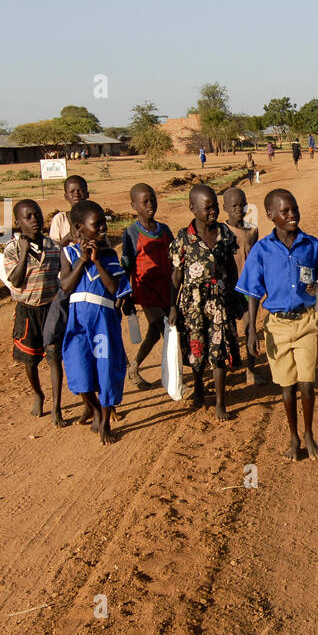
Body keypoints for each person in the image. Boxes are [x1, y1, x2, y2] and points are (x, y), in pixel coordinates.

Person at [238, 188, 318, 460]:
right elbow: (253, 292)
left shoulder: (310, 244)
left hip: (305, 322)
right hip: (277, 326)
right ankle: (293, 437)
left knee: (307, 383)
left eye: (295, 209)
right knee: (287, 386)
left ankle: (309, 433)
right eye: (285, 211)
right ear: (270, 216)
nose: (292, 215)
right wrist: (252, 333)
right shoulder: (262, 250)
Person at [59, 200, 131, 444]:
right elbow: (66, 286)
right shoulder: (68, 253)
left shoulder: (110, 255)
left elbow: (113, 288)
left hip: (103, 322)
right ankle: (95, 407)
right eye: (96, 225)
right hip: (78, 321)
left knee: (105, 369)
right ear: (79, 229)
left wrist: (97, 261)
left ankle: (105, 420)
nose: (103, 229)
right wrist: (82, 260)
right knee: (79, 369)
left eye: (104, 224)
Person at [173, 185, 240, 419]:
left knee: (219, 350)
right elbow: (176, 275)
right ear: (192, 208)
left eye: (215, 207)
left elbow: (231, 268)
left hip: (220, 302)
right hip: (193, 305)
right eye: (207, 207)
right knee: (196, 350)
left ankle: (221, 403)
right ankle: (200, 385)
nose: (213, 212)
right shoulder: (183, 238)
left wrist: (236, 294)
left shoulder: (224, 233)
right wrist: (172, 306)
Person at [3, 199, 61, 420]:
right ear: (18, 222)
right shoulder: (13, 249)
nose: (34, 220)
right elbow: (16, 281)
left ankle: (57, 406)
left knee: (54, 356)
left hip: (50, 308)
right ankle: (38, 393)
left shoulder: (54, 247)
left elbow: (62, 276)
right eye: (28, 217)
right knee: (30, 360)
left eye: (37, 215)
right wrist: (24, 253)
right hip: (27, 311)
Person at [42, 175, 89, 424]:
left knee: (86, 344)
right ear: (66, 196)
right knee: (58, 343)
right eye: (72, 191)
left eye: (81, 189)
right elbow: (54, 249)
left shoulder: (92, 214)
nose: (77, 193)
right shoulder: (60, 219)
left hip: (87, 285)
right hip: (67, 287)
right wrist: (68, 238)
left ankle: (90, 403)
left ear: (88, 192)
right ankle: (58, 405)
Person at [118, 183, 173, 390]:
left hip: (166, 288)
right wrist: (125, 296)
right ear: (134, 206)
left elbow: (175, 258)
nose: (151, 205)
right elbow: (126, 264)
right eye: (145, 202)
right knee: (164, 328)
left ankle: (134, 367)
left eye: (153, 199)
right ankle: (173, 379)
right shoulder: (131, 233)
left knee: (156, 331)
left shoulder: (165, 230)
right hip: (146, 290)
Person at [223, 186, 262, 384]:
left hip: (247, 288)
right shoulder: (221, 231)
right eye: (234, 205)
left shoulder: (252, 230)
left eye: (242, 204)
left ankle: (250, 369)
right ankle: (231, 363)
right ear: (225, 208)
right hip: (228, 288)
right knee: (228, 330)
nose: (239, 209)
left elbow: (257, 258)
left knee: (250, 327)